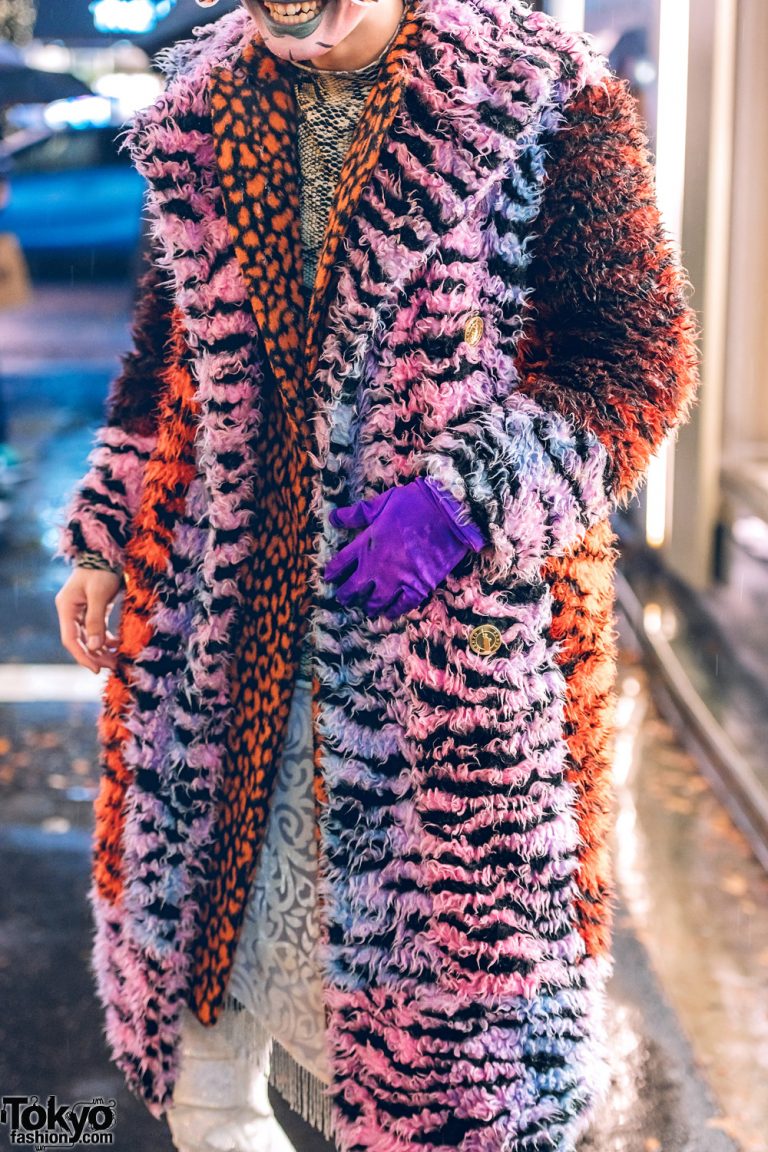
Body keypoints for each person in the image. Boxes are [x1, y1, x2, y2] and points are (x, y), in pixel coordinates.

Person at [53, 0, 701, 1148]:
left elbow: (636, 353)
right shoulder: (204, 107)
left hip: (445, 667)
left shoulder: (537, 92)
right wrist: (107, 538)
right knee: (204, 1033)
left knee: (440, 1068)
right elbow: (166, 363)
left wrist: (469, 502)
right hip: (219, 644)